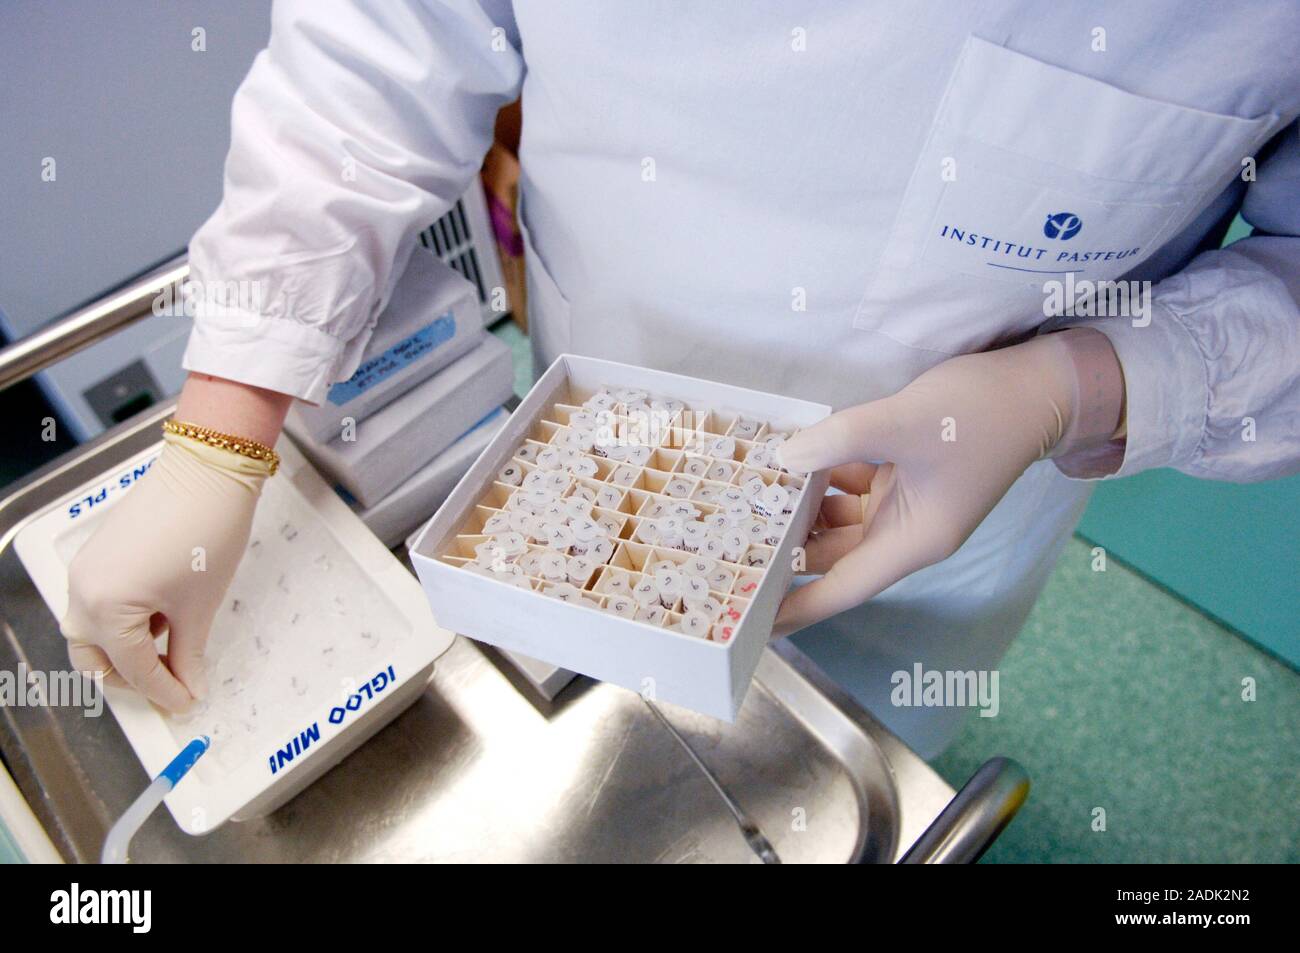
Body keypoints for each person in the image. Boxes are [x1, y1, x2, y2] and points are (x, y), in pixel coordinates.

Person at [61, 1, 1300, 756]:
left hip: (951, 505)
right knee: (606, 712)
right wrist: (225, 423)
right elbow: (379, 38)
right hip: (598, 398)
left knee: (856, 740)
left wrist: (1070, 390)